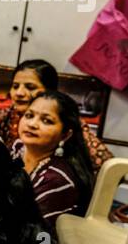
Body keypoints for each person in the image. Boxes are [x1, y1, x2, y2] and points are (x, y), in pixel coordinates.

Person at [0, 58, 111, 171]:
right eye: (15, 86)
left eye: (30, 87)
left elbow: (108, 165)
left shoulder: (65, 119)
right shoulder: (10, 113)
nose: (19, 93)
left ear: (50, 92)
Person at [13, 90, 95, 230]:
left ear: (65, 135)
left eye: (46, 120)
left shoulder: (57, 180)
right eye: (29, 115)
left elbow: (34, 233)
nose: (32, 124)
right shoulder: (16, 148)